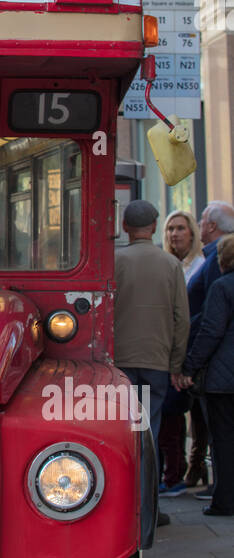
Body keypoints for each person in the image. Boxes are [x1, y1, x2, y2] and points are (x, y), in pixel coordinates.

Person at [113, 200, 189, 536]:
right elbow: (181, 319)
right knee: (150, 435)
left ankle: (119, 506)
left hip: (120, 362)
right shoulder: (170, 264)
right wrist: (175, 364)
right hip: (157, 361)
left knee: (119, 434)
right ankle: (148, 511)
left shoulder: (113, 261)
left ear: (125, 226)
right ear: (155, 226)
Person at [178, 234, 234, 516]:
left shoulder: (222, 287)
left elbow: (210, 331)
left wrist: (189, 366)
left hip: (224, 380)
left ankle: (225, 500)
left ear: (223, 260)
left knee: (223, 439)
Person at [158, 211, 204, 493]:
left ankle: (186, 470)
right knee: (170, 419)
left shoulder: (199, 265)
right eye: (170, 229)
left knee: (189, 417)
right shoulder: (166, 263)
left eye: (180, 228)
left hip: (191, 349)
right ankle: (176, 472)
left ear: (192, 232)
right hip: (167, 347)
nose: (175, 234)